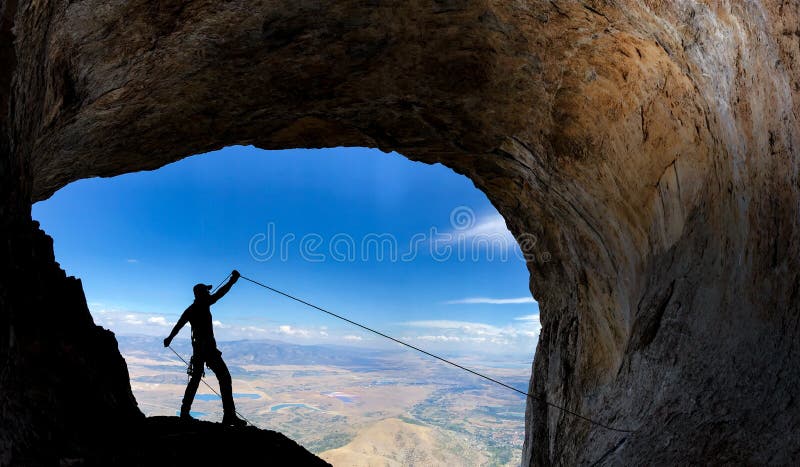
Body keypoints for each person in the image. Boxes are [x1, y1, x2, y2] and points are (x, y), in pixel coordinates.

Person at [163, 269, 246, 426]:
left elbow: (178, 325)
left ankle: (184, 412)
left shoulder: (190, 310)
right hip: (208, 349)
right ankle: (229, 415)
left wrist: (169, 339)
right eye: (206, 291)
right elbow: (221, 293)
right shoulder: (204, 304)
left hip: (198, 350)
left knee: (195, 380)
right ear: (201, 294)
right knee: (224, 378)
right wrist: (233, 281)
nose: (209, 293)